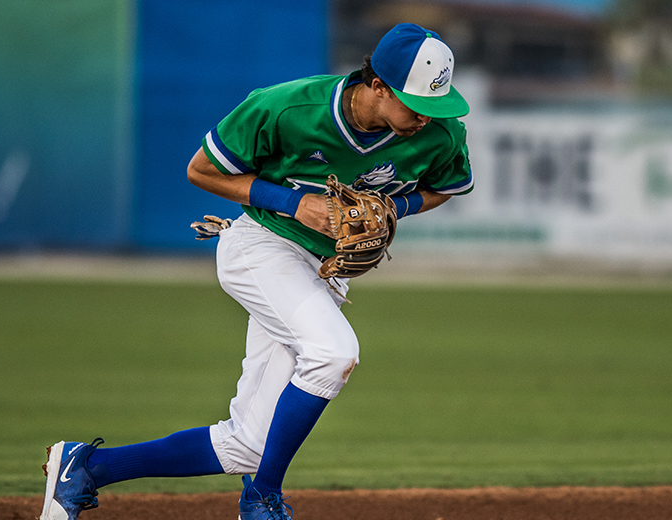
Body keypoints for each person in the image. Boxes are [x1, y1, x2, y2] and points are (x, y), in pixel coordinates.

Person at [40, 22, 473, 520]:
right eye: (417, 105)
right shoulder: (288, 108)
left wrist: (400, 206)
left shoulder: (439, 132)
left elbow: (448, 185)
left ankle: (86, 466)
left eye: (435, 106)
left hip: (324, 267)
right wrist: (295, 202)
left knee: (247, 444)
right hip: (261, 246)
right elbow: (201, 169)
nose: (426, 118)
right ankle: (263, 497)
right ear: (377, 85)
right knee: (333, 354)